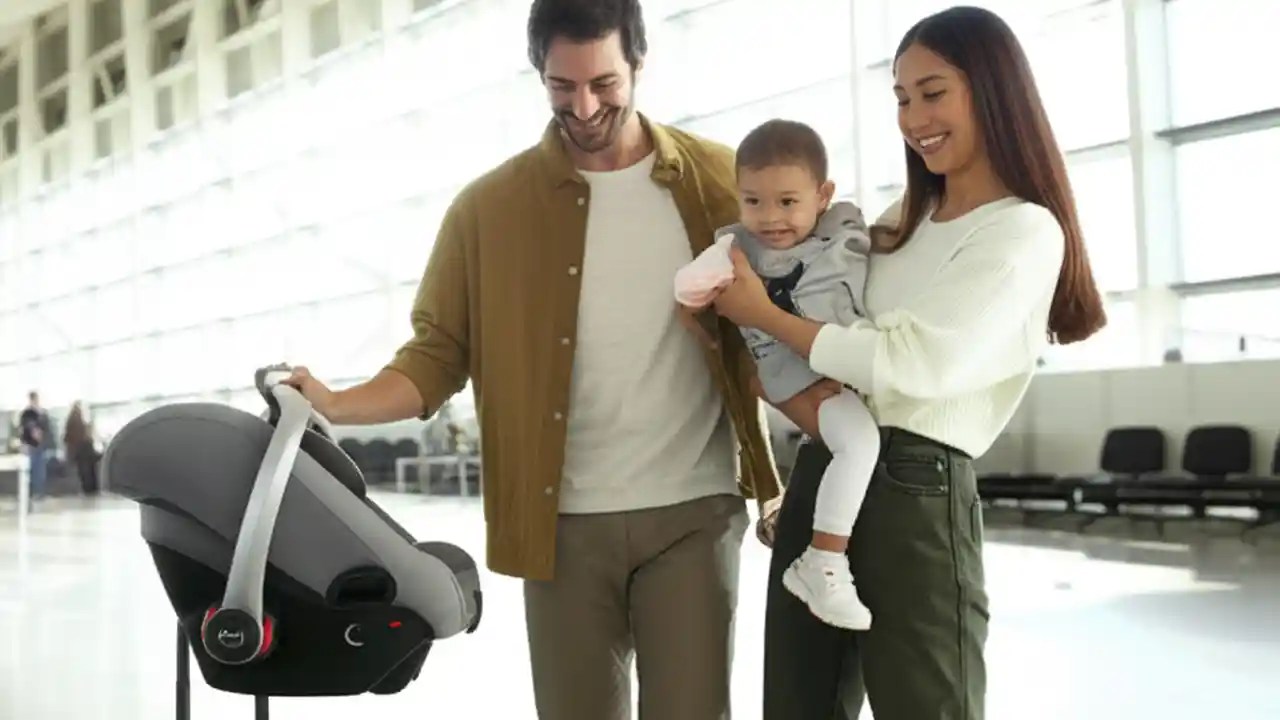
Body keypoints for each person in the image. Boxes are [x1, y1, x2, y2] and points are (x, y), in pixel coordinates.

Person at [282, 1, 831, 717]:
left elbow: (815, 282)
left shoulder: (722, 180)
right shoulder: (488, 210)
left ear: (638, 62)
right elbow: (436, 357)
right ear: (539, 73)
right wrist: (333, 402)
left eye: (604, 83)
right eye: (561, 86)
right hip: (561, 526)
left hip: (695, 512)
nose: (585, 105)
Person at [711, 7, 1107, 719]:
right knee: (795, 708)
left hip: (915, 493)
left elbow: (913, 360)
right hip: (825, 467)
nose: (912, 116)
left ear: (990, 90)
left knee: (929, 707)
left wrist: (764, 317)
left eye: (932, 92)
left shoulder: (1020, 229)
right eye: (900, 98)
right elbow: (816, 327)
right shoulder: (896, 223)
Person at [674, 119, 881, 631]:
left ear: (823, 194)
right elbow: (685, 289)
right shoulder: (734, 250)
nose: (770, 218)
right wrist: (702, 313)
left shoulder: (844, 234)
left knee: (860, 443)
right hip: (798, 374)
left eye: (787, 202)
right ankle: (823, 559)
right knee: (860, 443)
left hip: (842, 361)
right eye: (753, 202)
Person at [18, 391, 53, 507]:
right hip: (32, 446)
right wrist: (24, 443)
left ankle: (39, 492)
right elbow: (24, 430)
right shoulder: (27, 414)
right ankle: (32, 493)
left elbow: (47, 430)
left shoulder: (42, 413)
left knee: (40, 471)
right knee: (33, 470)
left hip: (40, 446)